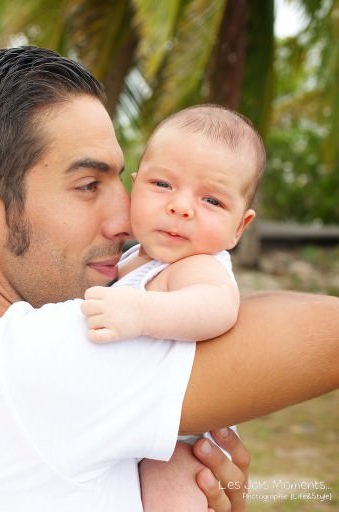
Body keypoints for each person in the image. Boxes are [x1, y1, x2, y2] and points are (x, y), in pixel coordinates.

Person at [0, 46, 339, 511]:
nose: (127, 220)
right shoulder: (20, 364)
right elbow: (326, 334)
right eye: (89, 186)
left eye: (122, 181)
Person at [82, 104, 264, 511]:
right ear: (134, 184)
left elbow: (217, 307)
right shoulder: (132, 260)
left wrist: (142, 313)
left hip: (185, 439)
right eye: (162, 184)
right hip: (137, 420)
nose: (181, 206)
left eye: (212, 200)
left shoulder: (197, 265)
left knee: (175, 494)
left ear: (239, 226)